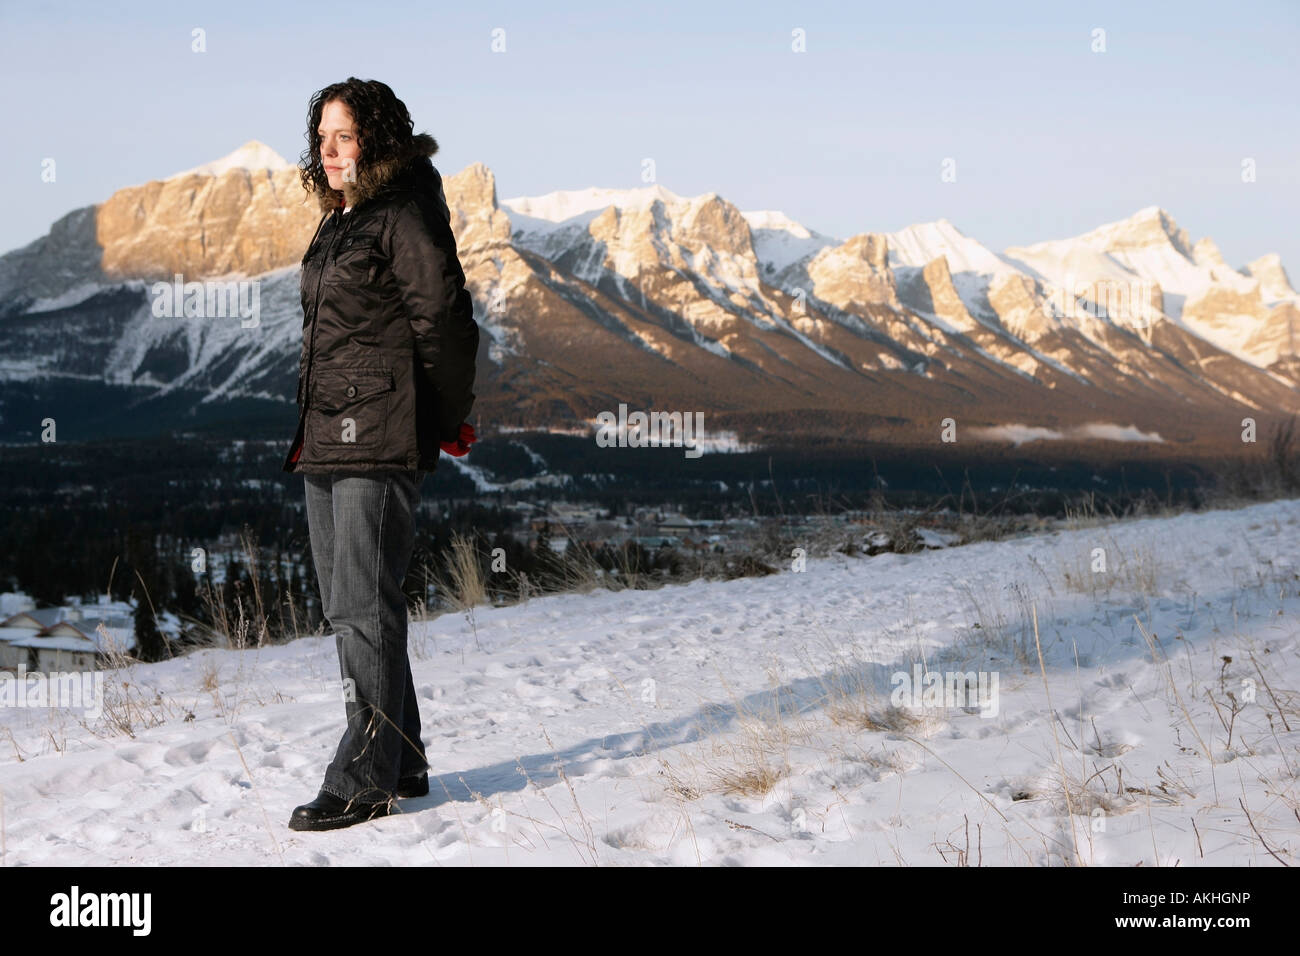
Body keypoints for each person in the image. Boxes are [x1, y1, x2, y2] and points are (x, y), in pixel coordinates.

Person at [282, 77, 480, 831]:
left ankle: (365, 778)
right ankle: (403, 756)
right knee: (354, 606)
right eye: (322, 137)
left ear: (378, 139)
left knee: (363, 605)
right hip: (326, 434)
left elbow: (445, 320)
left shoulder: (403, 212)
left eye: (345, 136)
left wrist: (447, 414)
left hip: (381, 432)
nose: (329, 151)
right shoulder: (343, 217)